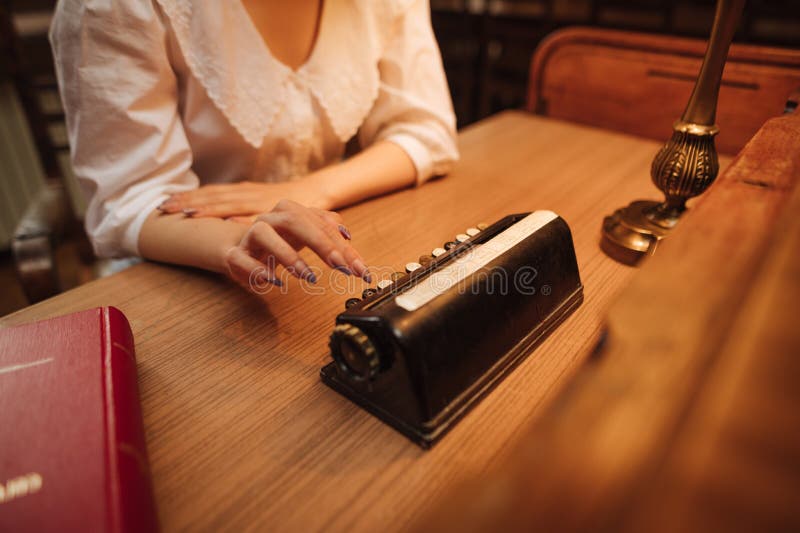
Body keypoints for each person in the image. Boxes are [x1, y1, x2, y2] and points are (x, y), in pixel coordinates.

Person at [50, 0, 458, 289]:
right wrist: (235, 244)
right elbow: (131, 200)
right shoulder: (112, 7)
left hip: (327, 242)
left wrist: (308, 191)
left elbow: (426, 131)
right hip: (177, 273)